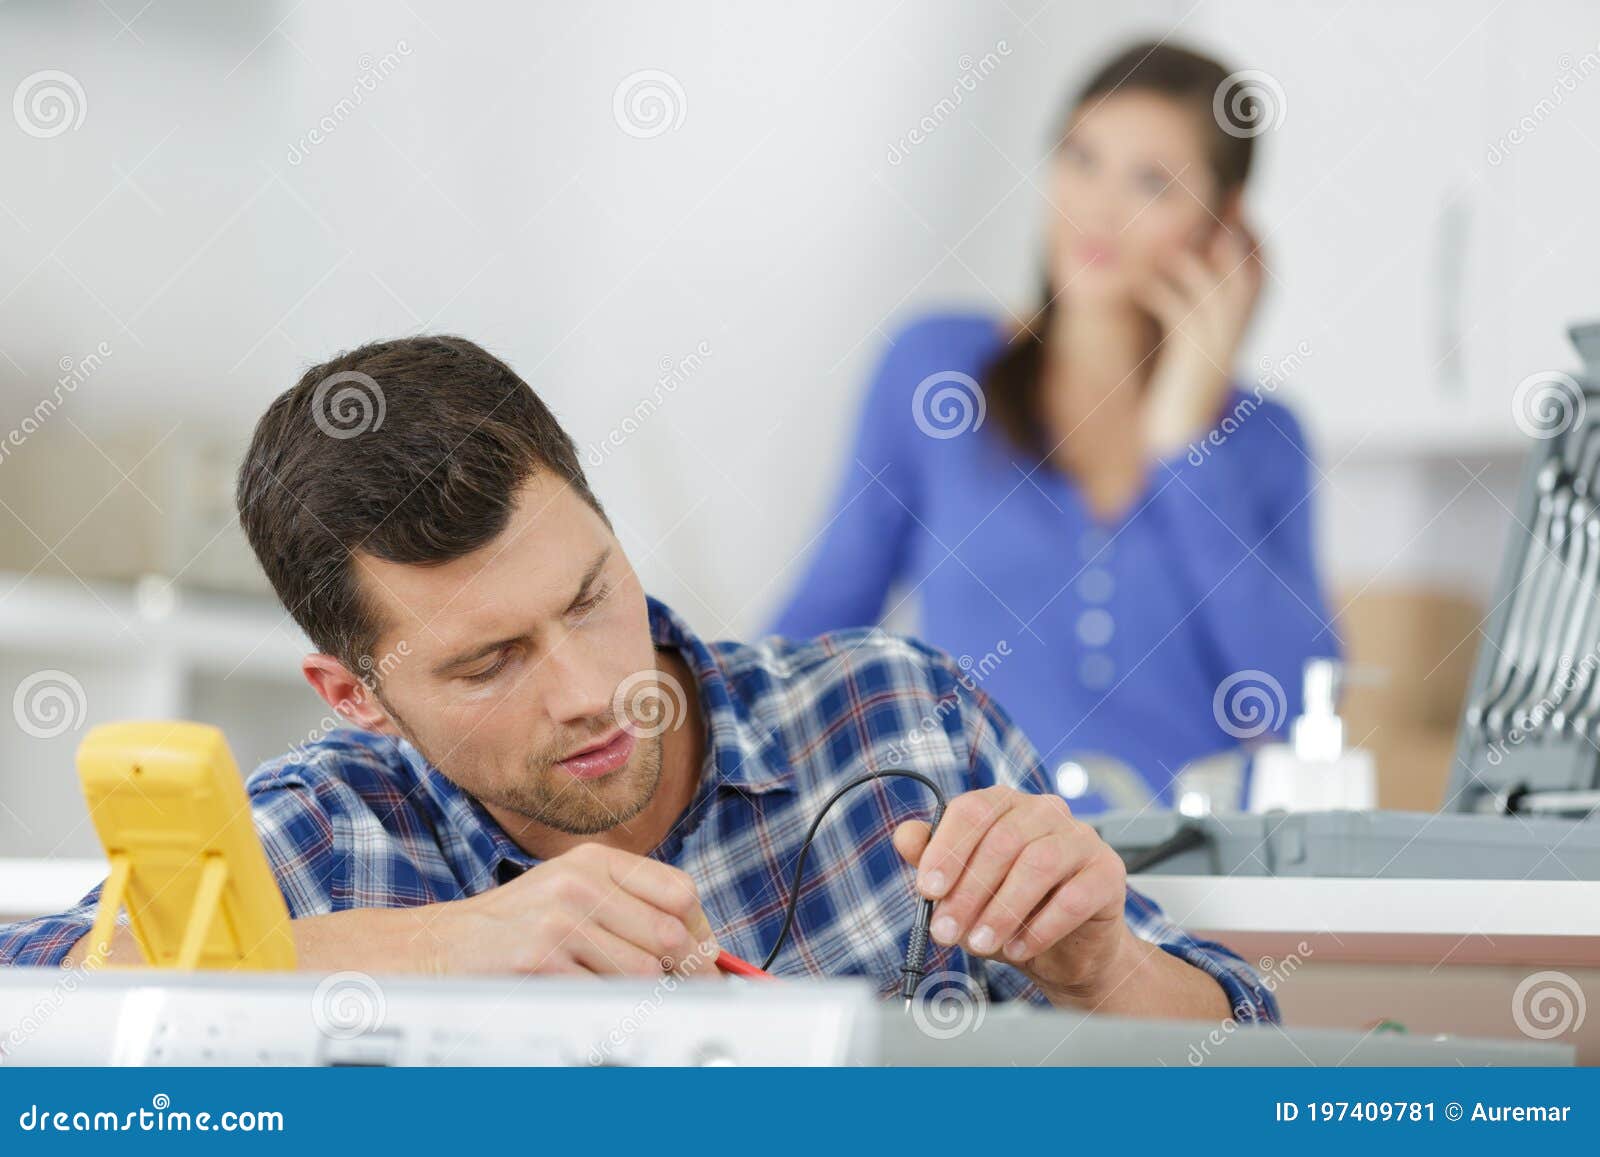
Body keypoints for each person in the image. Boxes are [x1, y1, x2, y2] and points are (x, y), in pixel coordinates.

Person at [0, 335, 1274, 1023]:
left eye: (590, 596)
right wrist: (443, 947)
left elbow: (1244, 1059)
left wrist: (1102, 968)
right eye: (490, 659)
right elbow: (41, 985)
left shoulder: (901, 718)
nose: (587, 688)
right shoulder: (326, 836)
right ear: (357, 696)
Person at [772, 42, 1336, 810]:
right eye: (1081, 159)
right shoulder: (935, 368)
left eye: (1151, 183)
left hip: (1195, 886)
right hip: (974, 875)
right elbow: (818, 633)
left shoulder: (1266, 438)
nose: (1099, 207)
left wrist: (1182, 441)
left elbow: (1294, 706)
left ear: (1223, 224)